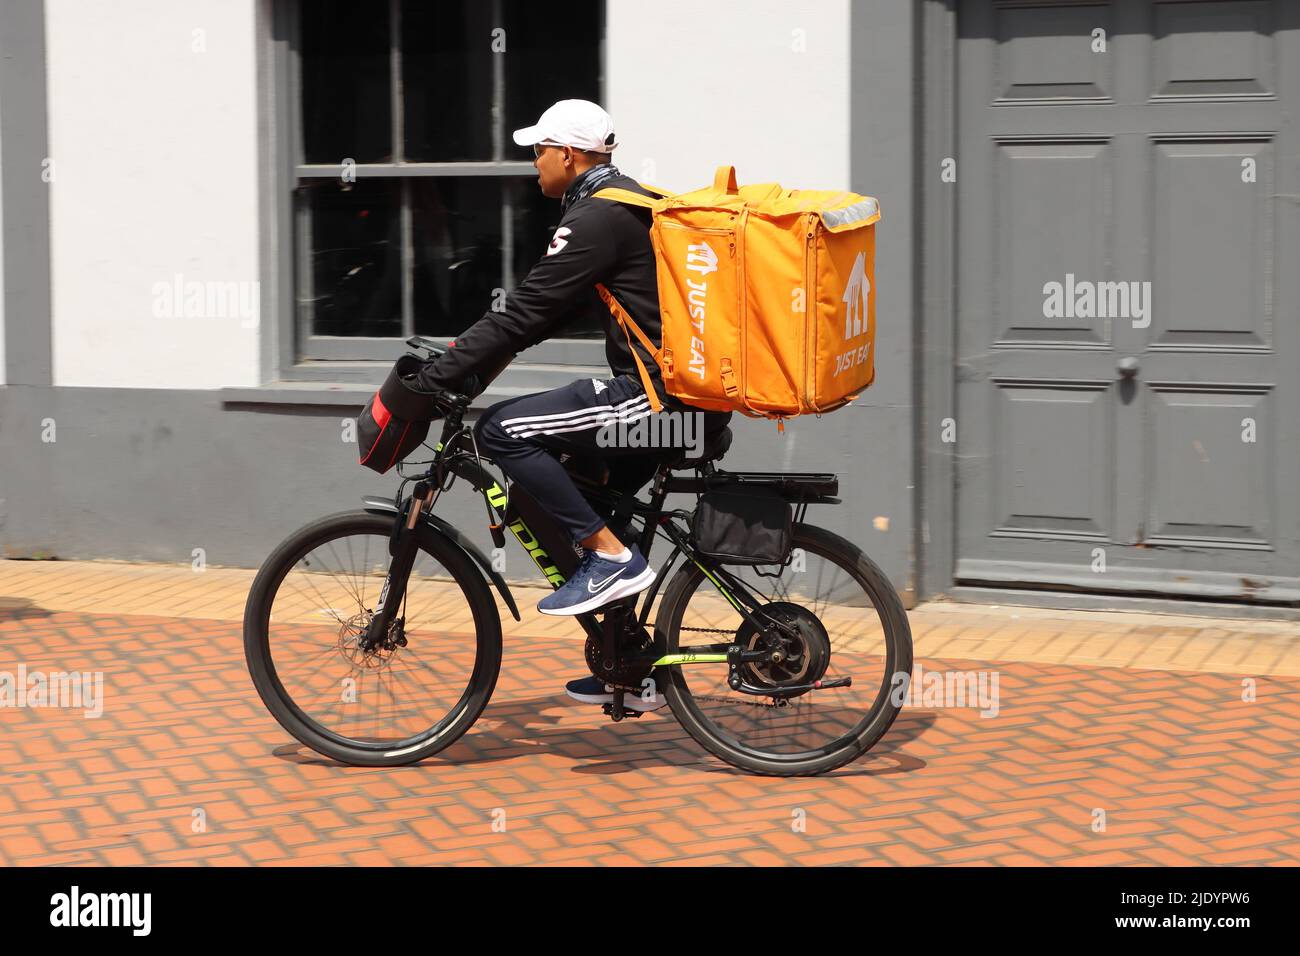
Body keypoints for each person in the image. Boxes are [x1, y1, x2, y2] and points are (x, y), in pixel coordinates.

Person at [412, 99, 731, 709]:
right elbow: (539, 318)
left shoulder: (594, 219)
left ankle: (610, 558)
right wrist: (472, 359)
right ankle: (628, 665)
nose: (534, 164)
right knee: (568, 489)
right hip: (687, 407)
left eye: (539, 151)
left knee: (503, 431)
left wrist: (443, 374)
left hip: (656, 407)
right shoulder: (627, 202)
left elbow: (528, 311)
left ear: (569, 154)